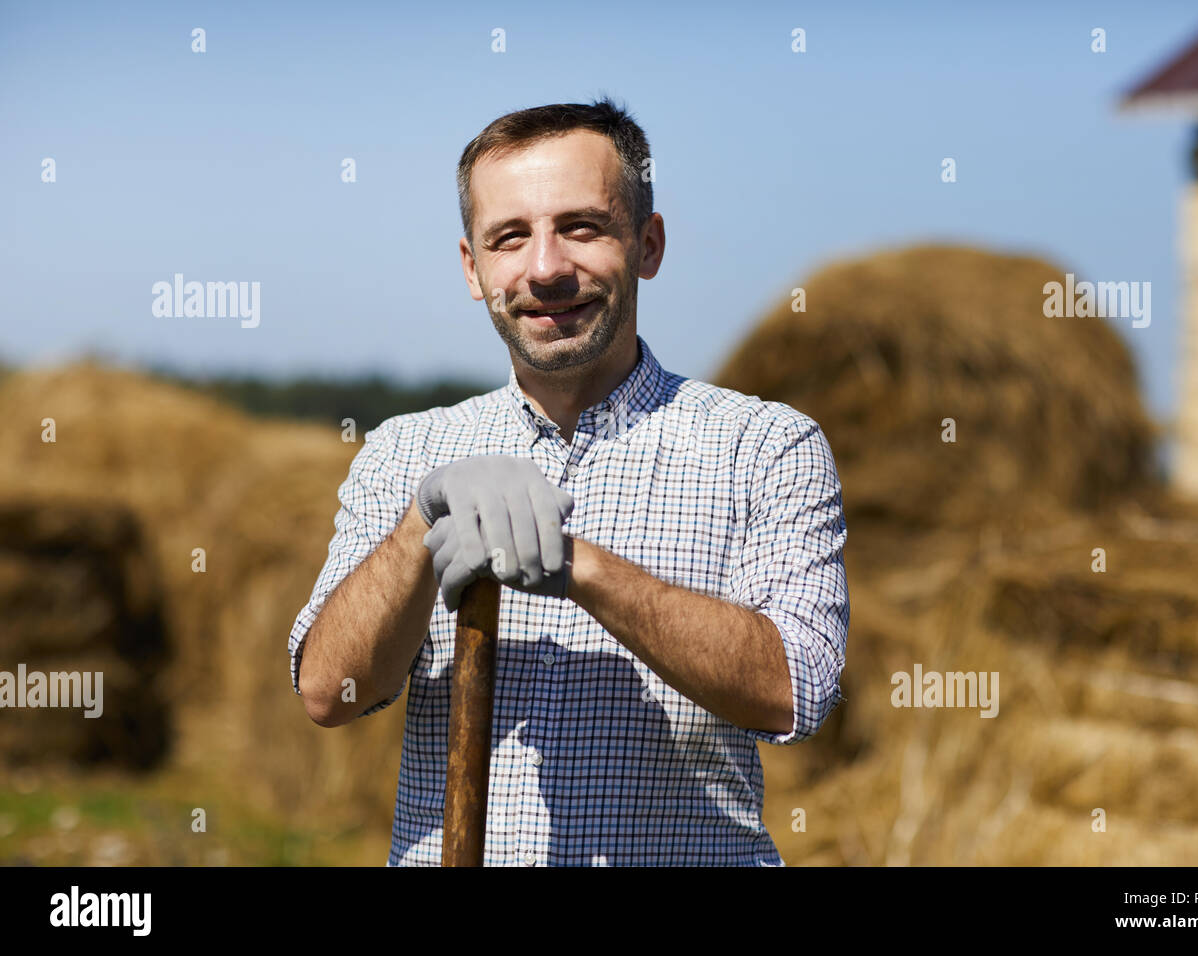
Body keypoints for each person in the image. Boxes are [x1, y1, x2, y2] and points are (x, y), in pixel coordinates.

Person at [289, 97, 849, 866]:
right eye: (509, 238)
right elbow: (328, 692)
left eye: (582, 227)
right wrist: (424, 527)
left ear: (648, 244)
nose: (546, 268)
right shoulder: (403, 450)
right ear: (472, 268)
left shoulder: (766, 445)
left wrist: (577, 565)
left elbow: (795, 687)